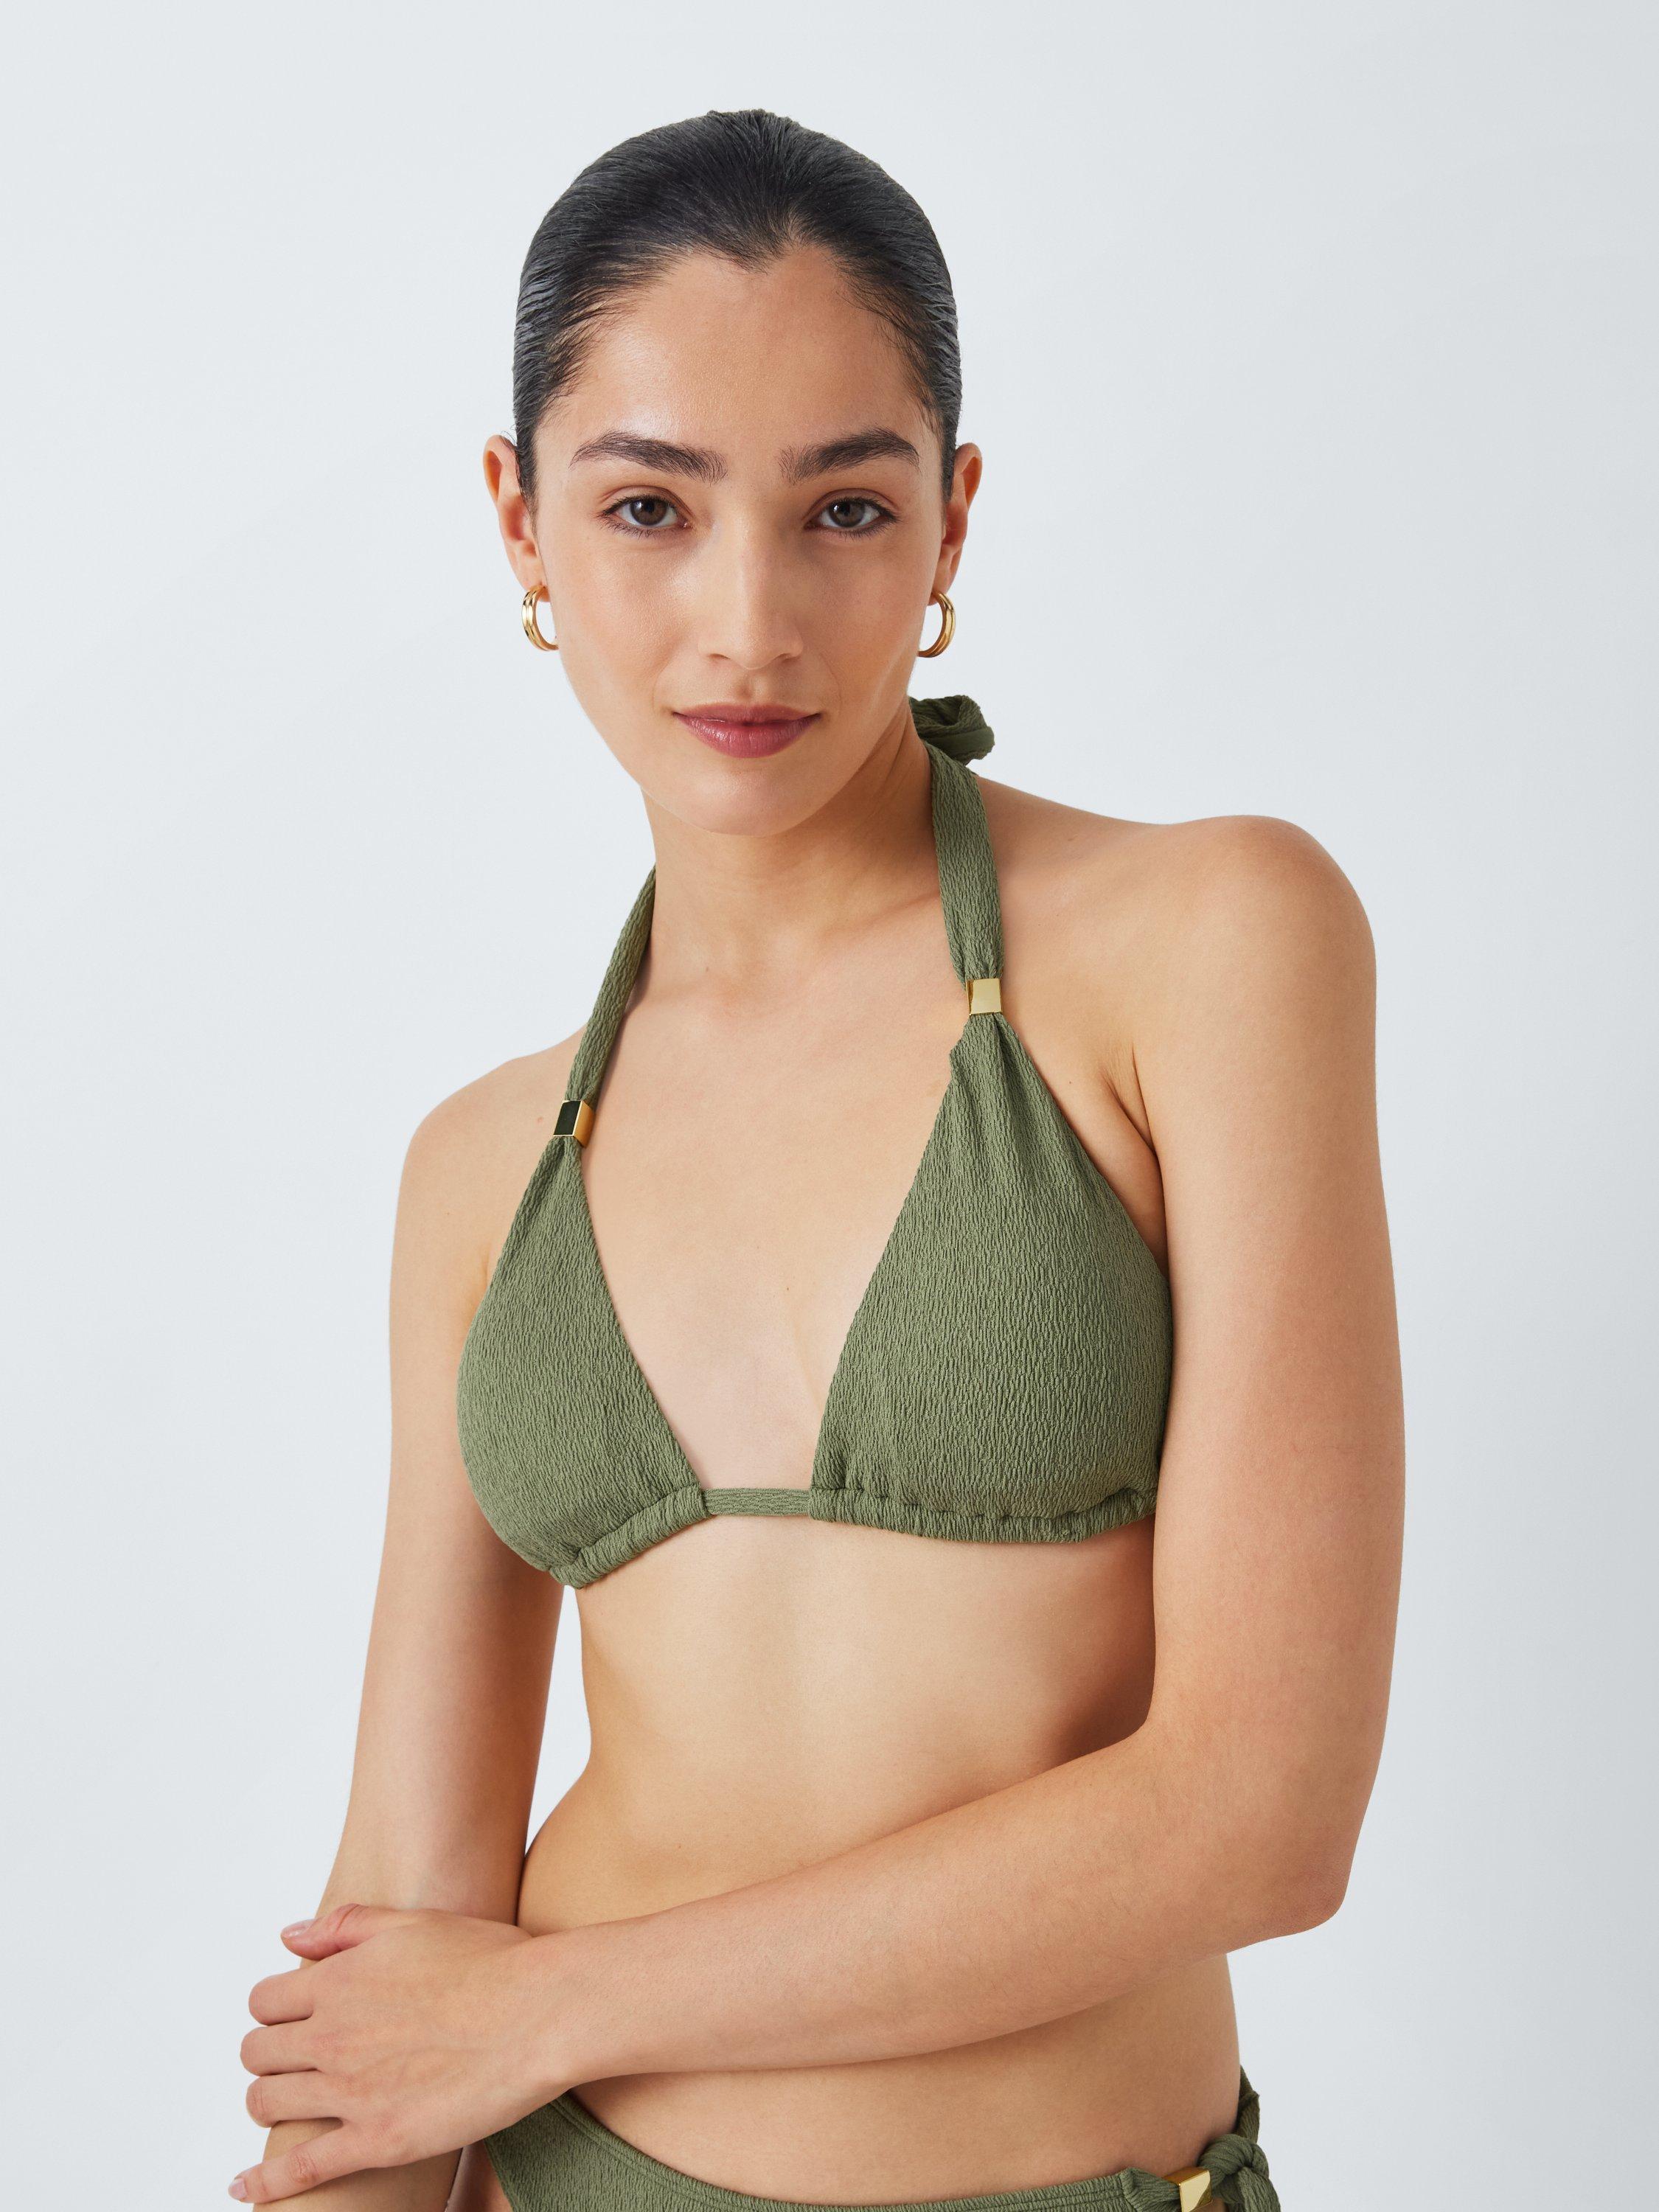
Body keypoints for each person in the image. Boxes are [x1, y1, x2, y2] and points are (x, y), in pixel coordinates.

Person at [232, 107, 1403, 2212]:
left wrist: (555, 2007)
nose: (748, 622)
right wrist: (427, 2090)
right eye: (648, 508)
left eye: (844, 507)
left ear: (952, 522)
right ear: (519, 524)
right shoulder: (481, 1166)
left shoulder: (1213, 942)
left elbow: (1260, 1814)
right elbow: (408, 1905)